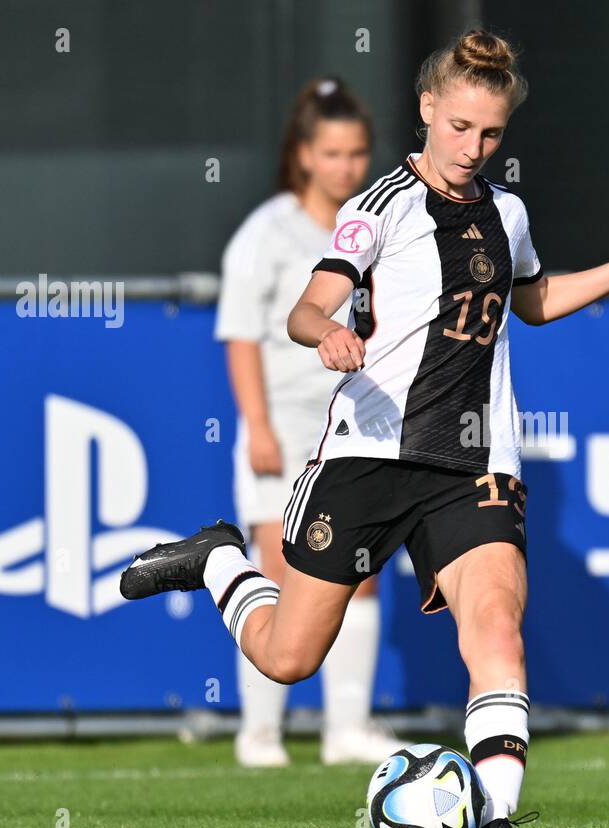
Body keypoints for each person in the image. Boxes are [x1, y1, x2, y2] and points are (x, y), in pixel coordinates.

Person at [121, 28, 609, 828]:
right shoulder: (376, 209)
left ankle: (499, 821)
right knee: (289, 657)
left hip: (475, 461)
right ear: (426, 108)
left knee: (495, 623)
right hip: (367, 454)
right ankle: (218, 559)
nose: (473, 148)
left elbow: (535, 301)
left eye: (491, 134)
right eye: (459, 128)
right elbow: (309, 305)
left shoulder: (506, 212)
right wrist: (324, 335)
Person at [215, 76, 401, 767]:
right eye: (330, 153)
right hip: (285, 424)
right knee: (280, 567)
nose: (344, 167)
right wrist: (257, 426)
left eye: (355, 154)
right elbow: (239, 336)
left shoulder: (372, 226)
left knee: (360, 568)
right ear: (303, 155)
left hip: (356, 423)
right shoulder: (266, 231)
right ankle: (260, 732)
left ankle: (345, 729)